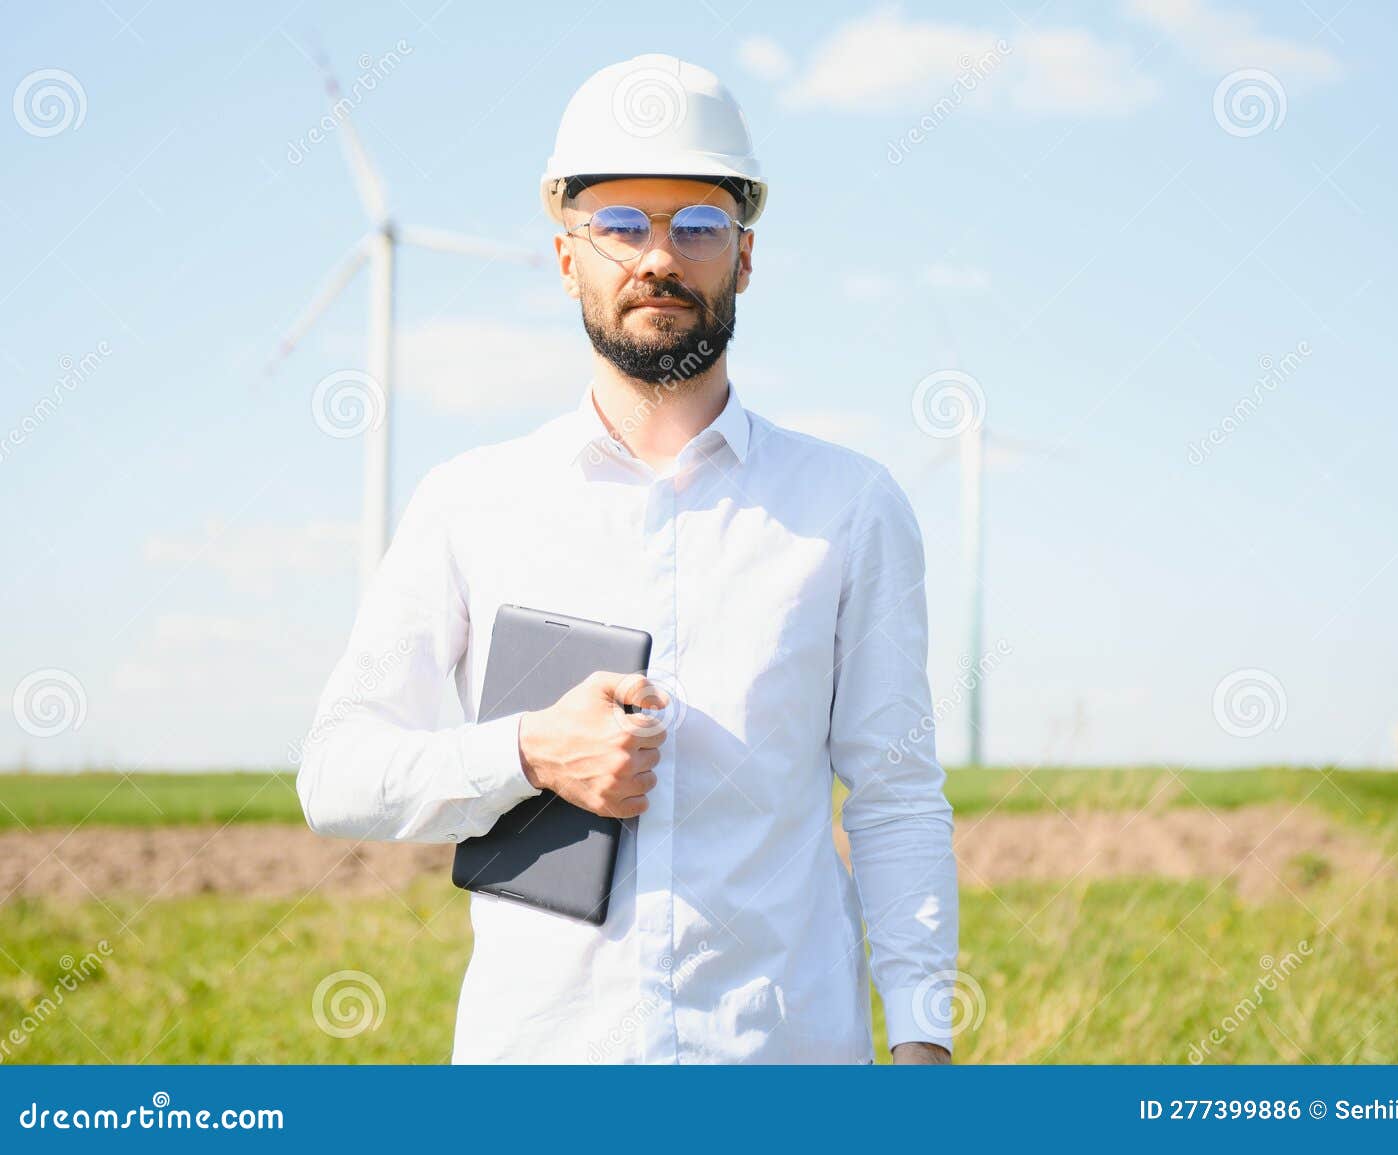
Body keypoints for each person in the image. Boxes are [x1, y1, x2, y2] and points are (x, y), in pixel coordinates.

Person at [296, 53, 957, 1064]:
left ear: (744, 255)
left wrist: (921, 1043)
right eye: (620, 226)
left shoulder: (849, 507)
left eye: (697, 225)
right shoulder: (469, 504)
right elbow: (336, 777)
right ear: (567, 257)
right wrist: (524, 752)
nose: (659, 257)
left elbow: (896, 793)